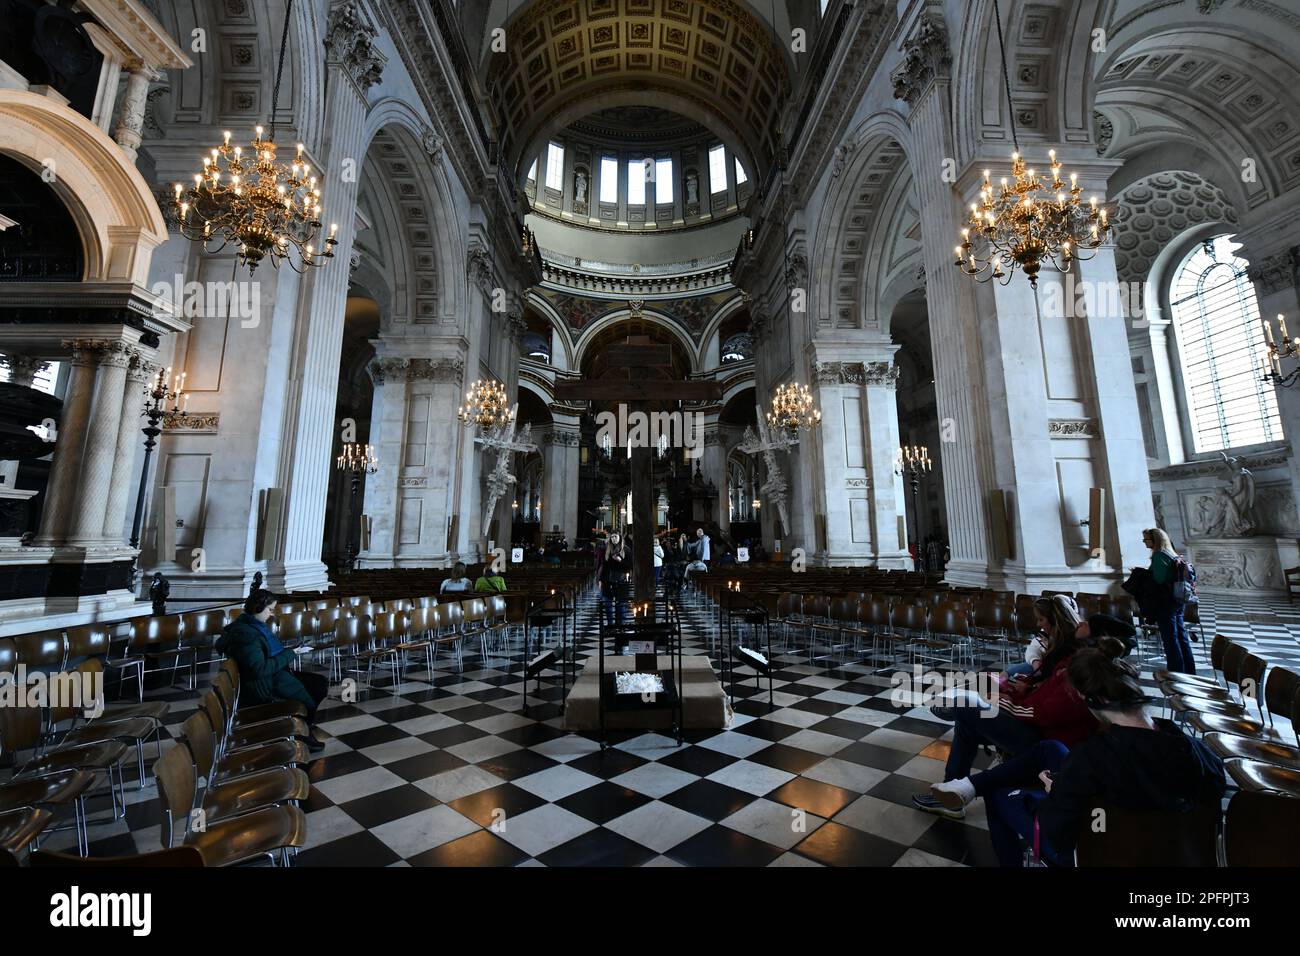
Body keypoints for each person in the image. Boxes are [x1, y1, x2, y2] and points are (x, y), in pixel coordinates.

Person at [918, 637, 1225, 866]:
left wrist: (1056, 789)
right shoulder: (1194, 750)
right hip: (1178, 854)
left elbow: (1057, 828)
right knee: (1050, 748)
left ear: (1082, 696)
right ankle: (967, 786)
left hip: (1096, 852)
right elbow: (1212, 799)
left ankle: (977, 797)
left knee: (998, 795)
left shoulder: (1090, 758)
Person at [912, 595, 1098, 814]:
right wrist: (1020, 691)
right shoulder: (1062, 657)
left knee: (965, 706)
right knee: (967, 722)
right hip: (1035, 725)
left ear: (1055, 623)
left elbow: (1047, 713)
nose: (1038, 627)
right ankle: (951, 789)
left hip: (1044, 741)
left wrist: (1007, 703)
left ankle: (953, 710)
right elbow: (1045, 693)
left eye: (1041, 621)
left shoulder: (1074, 666)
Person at [215, 589, 327, 753]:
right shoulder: (248, 635)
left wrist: (290, 651)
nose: (271, 614)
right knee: (315, 690)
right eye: (270, 609)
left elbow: (264, 656)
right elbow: (260, 669)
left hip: (269, 677)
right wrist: (291, 653)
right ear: (257, 608)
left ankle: (303, 729)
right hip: (263, 687)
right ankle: (302, 733)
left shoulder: (249, 626)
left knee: (319, 684)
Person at [1140, 527, 1195, 675]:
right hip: (1177, 600)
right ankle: (1189, 670)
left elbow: (1158, 579)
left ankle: (1176, 671)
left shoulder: (1159, 556)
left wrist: (1144, 575)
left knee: (1170, 638)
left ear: (1154, 540)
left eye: (1146, 539)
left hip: (1165, 601)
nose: (1144, 542)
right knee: (1181, 636)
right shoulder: (1172, 554)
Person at [600, 532, 631, 625]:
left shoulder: (626, 550)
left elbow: (630, 565)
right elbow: (604, 566)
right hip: (608, 580)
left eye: (615, 536)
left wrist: (621, 560)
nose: (613, 538)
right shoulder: (607, 550)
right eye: (612, 537)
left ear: (620, 537)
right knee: (607, 604)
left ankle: (620, 625)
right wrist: (601, 580)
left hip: (621, 581)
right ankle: (610, 625)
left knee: (620, 605)